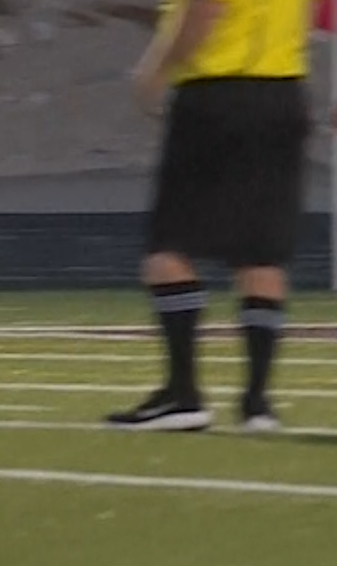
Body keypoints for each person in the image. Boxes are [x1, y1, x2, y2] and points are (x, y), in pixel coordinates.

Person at [106, 0, 311, 432]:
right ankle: (257, 403)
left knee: (169, 245)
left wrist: (155, 72)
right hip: (283, 93)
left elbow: (206, 7)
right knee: (261, 253)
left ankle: (183, 393)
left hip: (217, 92)